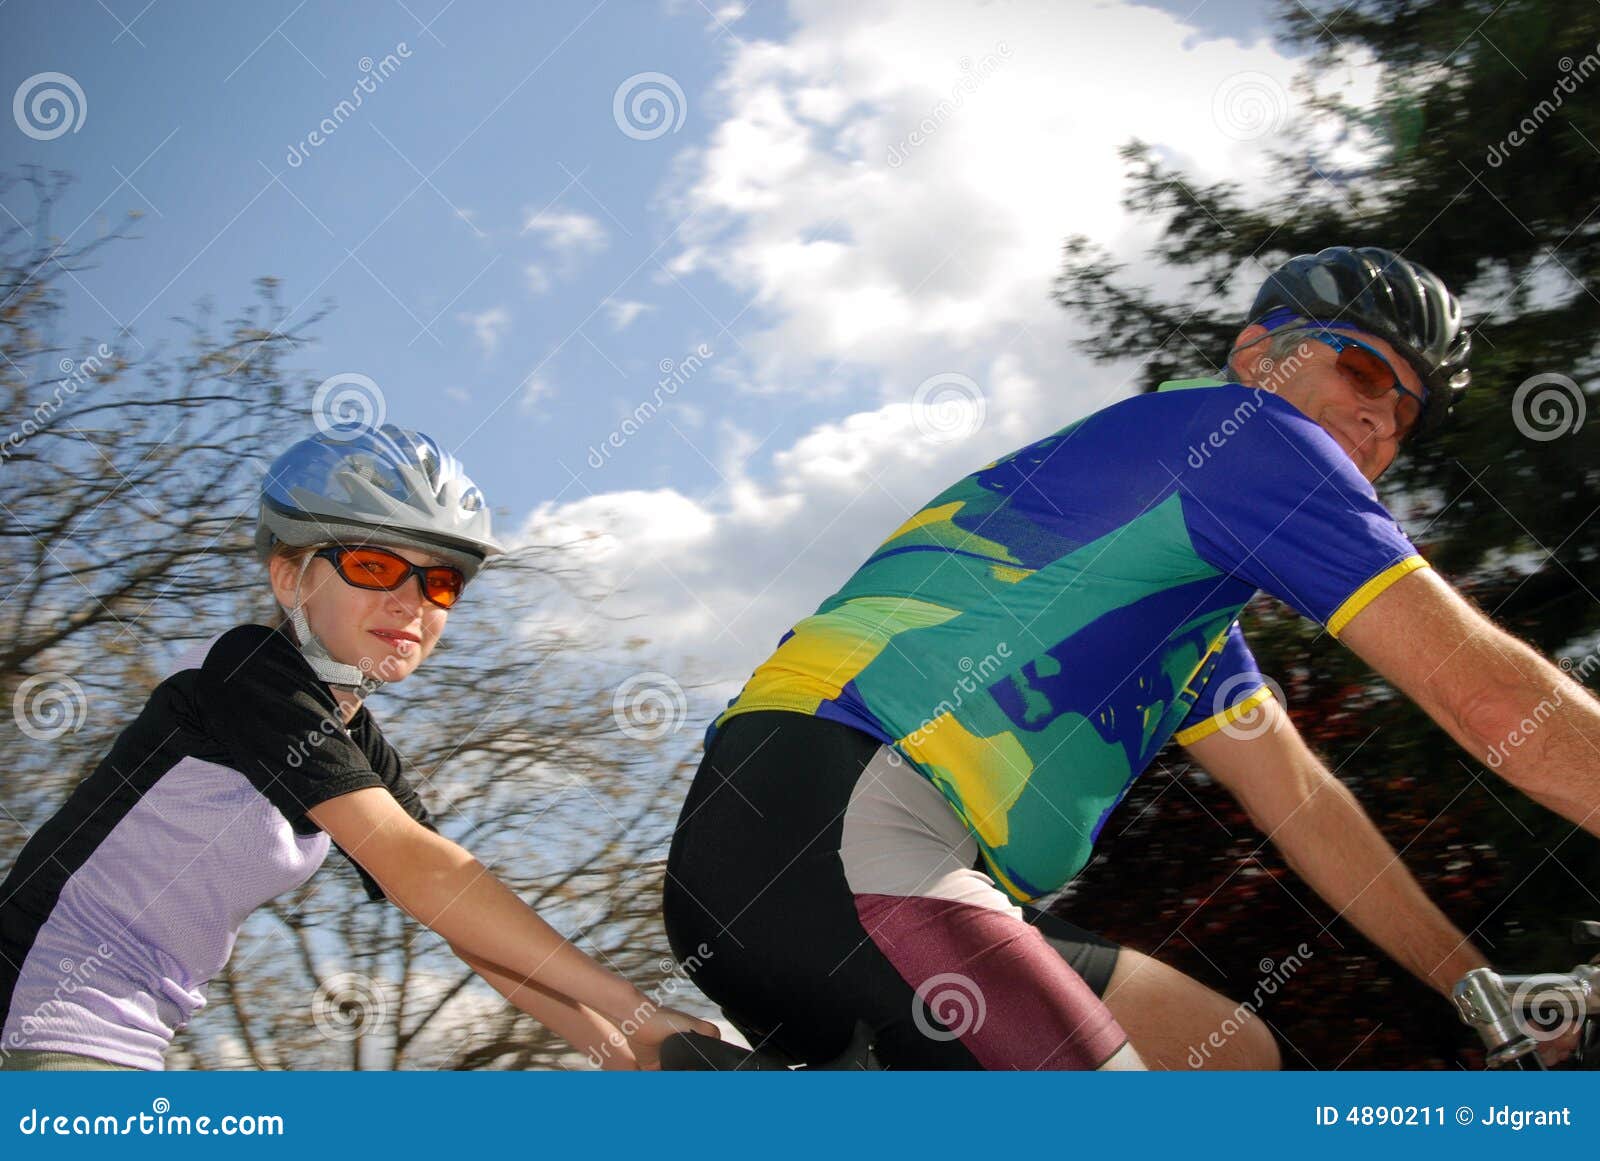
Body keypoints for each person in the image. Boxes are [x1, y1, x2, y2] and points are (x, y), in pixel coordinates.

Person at [663, 246, 1599, 1070]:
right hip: (826, 828)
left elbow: (1307, 807)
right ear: (1256, 353)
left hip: (857, 853)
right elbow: (1489, 696)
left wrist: (1476, 988)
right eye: (1362, 370)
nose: (1383, 421)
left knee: (1230, 1060)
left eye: (1409, 413)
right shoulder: (1247, 442)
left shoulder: (1185, 621)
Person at [0, 423, 715, 1071]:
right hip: (37, 1010)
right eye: (375, 566)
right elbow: (420, 868)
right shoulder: (248, 672)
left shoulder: (353, 737)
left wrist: (618, 1050)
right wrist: (634, 1008)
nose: (412, 601)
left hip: (129, 1037)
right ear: (290, 576)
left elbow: (461, 915)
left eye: (440, 582)